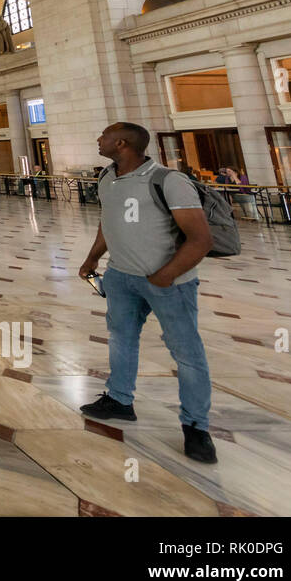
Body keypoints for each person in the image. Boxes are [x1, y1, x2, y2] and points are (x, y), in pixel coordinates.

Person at [78, 122, 217, 464]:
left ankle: (196, 427)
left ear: (122, 143)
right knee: (121, 339)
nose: (99, 138)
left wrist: (165, 275)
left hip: (168, 283)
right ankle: (120, 400)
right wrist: (93, 257)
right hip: (121, 277)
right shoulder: (106, 178)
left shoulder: (169, 181)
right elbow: (108, 222)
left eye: (104, 135)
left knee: (186, 353)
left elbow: (201, 240)